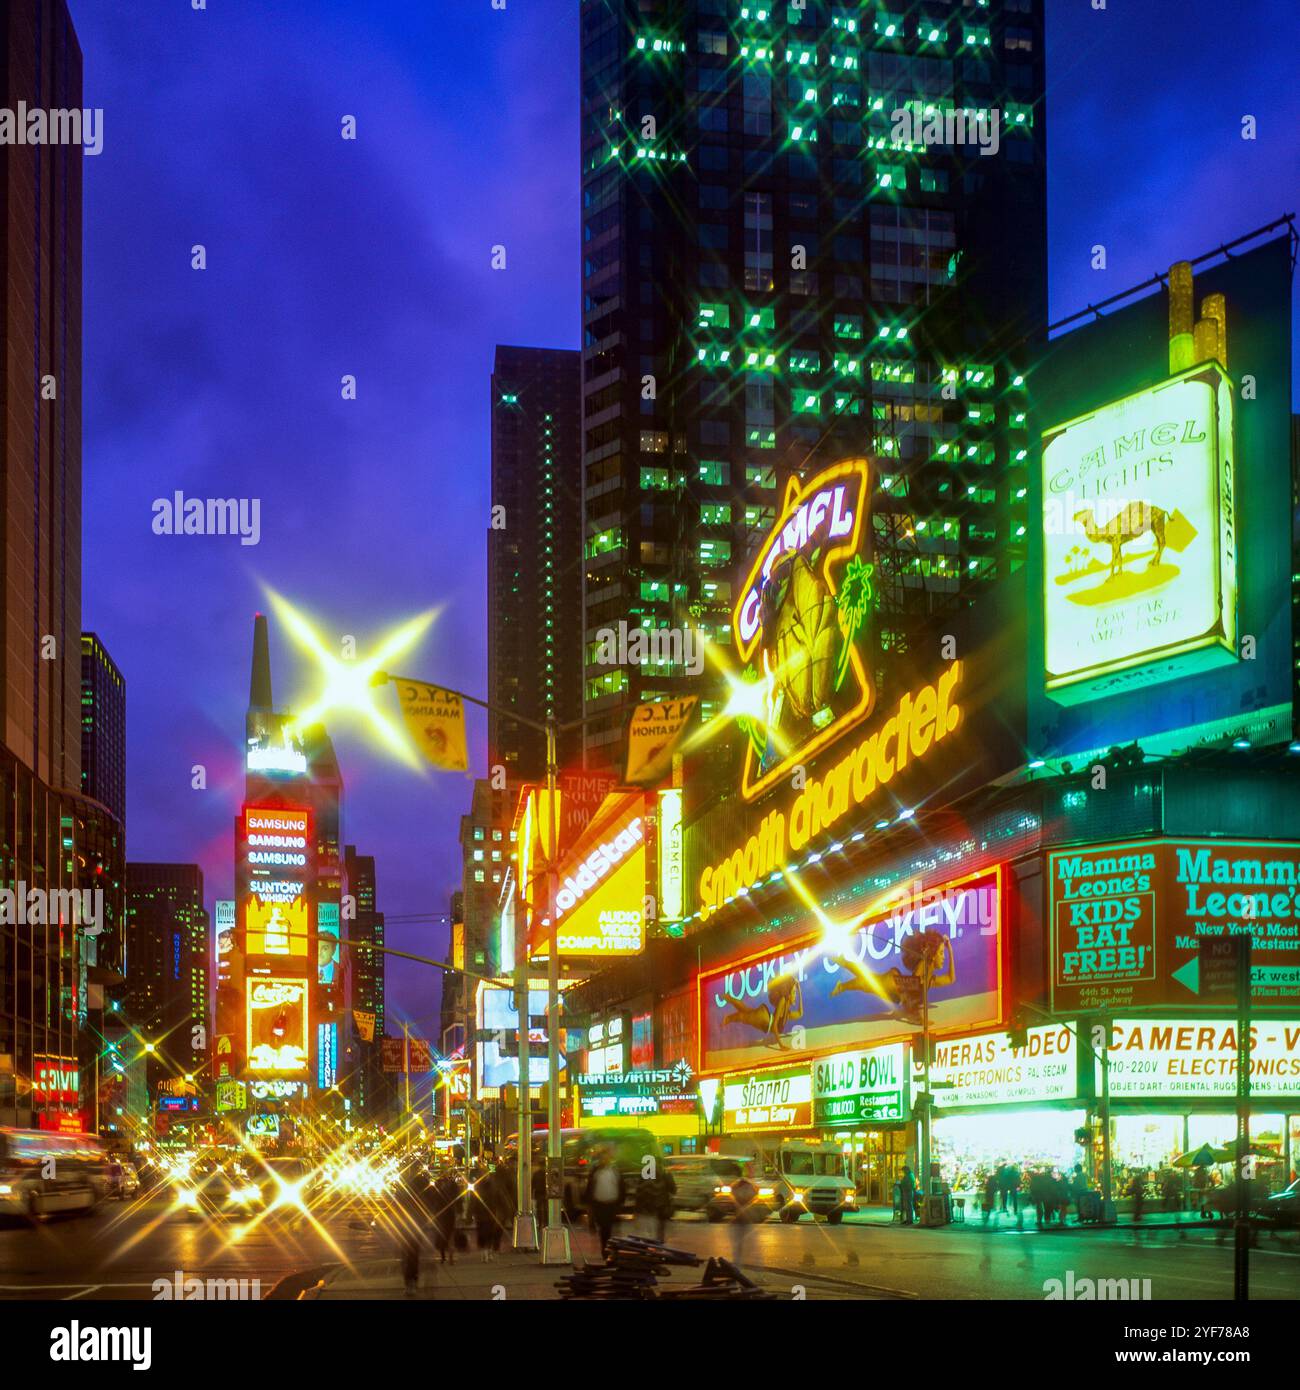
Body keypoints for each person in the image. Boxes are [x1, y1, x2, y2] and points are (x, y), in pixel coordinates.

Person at [396, 1159, 431, 1296]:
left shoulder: (403, 1184)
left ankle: (409, 1282)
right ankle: (412, 1281)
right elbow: (429, 1201)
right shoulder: (423, 1182)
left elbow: (397, 1203)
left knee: (407, 1254)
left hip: (406, 1223)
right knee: (413, 1253)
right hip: (417, 1223)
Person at [583, 1148, 626, 1257]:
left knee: (610, 1228)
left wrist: (620, 1202)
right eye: (603, 1157)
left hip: (612, 1204)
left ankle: (611, 1249)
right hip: (599, 1205)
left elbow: (621, 1186)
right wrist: (589, 1204)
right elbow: (590, 1188)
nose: (605, 1159)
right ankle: (605, 1249)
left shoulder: (615, 1171)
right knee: (604, 1228)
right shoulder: (596, 1171)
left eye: (607, 1157)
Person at [634, 1164, 678, 1244]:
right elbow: (673, 1190)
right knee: (659, 1233)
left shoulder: (645, 1174)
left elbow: (638, 1191)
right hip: (660, 1207)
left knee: (648, 1233)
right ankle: (658, 1248)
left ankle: (648, 1248)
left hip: (647, 1209)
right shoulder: (665, 1174)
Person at [429, 1168, 463, 1265]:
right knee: (449, 1234)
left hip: (440, 1214)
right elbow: (458, 1199)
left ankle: (443, 1256)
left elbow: (433, 1199)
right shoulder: (453, 1185)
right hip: (449, 1213)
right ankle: (450, 1255)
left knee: (442, 1234)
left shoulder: (437, 1185)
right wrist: (460, 1211)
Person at [729, 1168, 759, 1266]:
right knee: (750, 1248)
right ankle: (759, 1273)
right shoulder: (746, 1186)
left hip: (741, 1221)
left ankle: (736, 1272)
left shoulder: (738, 1186)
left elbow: (738, 1200)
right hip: (744, 1221)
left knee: (740, 1249)